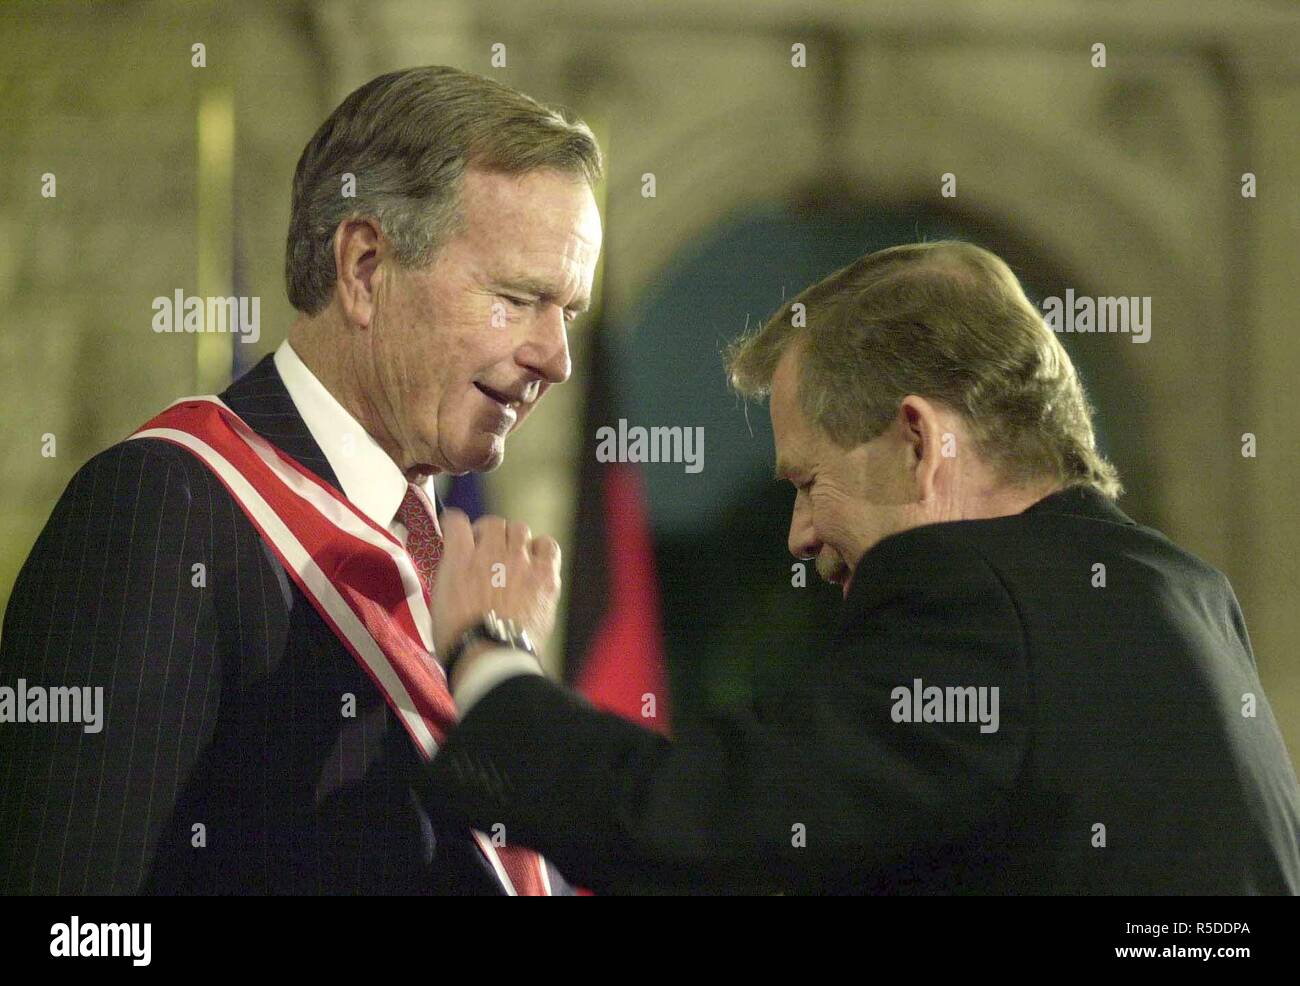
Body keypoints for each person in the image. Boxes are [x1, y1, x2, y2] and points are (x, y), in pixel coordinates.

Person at [425, 240, 1300, 894]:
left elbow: (704, 828)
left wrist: (492, 660)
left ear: (918, 442)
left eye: (809, 483)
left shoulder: (984, 607)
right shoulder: (1181, 592)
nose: (799, 536)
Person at [0, 65, 602, 895]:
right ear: (362, 267)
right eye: (517, 297)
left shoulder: (453, 570)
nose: (557, 359)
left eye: (567, 312)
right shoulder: (161, 512)